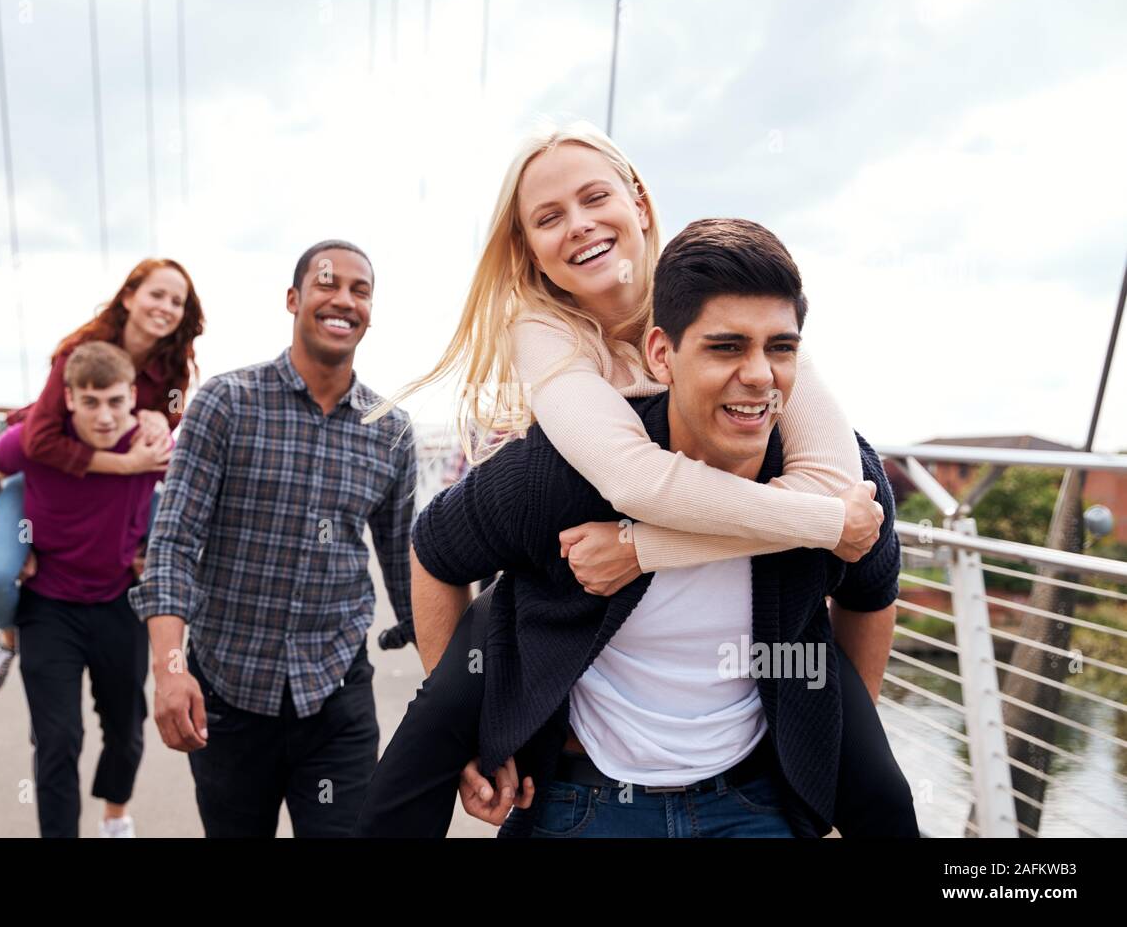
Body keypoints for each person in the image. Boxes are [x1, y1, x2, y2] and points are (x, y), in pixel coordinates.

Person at [354, 216, 916, 838]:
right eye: (725, 347)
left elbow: (870, 598)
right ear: (661, 355)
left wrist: (826, 748)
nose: (758, 376)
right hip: (580, 803)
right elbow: (435, 551)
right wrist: (470, 727)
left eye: (780, 348)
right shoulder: (565, 468)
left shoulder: (843, 479)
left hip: (753, 805)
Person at [128, 239, 417, 838]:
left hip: (337, 696)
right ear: (293, 299)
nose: (343, 300)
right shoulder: (226, 404)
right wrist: (171, 669)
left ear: (371, 311)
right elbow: (174, 544)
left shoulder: (390, 429)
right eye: (327, 284)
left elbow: (407, 567)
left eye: (360, 291)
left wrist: (456, 691)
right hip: (228, 697)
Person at [0, 259, 204, 696]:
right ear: (129, 295)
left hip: (120, 487)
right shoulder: (80, 351)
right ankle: (9, 635)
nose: (166, 307)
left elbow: (170, 420)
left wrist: (155, 417)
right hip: (51, 475)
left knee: (182, 548)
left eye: (177, 301)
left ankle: (185, 660)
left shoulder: (173, 363)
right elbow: (39, 443)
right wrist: (127, 465)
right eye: (157, 294)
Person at [0, 341, 166, 837]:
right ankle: (8, 636)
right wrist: (1, 539)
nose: (104, 416)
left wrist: (154, 551)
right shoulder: (36, 442)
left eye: (116, 401)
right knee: (57, 740)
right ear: (69, 399)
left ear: (132, 399)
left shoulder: (149, 446)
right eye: (91, 402)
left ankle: (115, 815)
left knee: (125, 730)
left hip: (117, 601)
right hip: (48, 604)